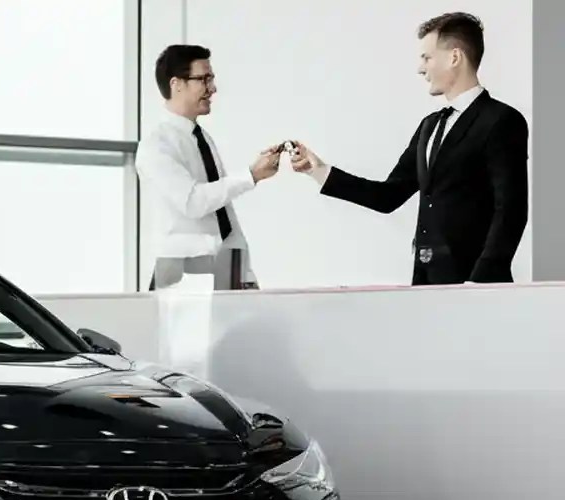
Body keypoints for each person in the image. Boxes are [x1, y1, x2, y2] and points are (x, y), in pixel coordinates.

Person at [290, 12, 529, 285]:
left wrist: (481, 281)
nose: (420, 68)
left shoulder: (501, 120)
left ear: (454, 57)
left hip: (475, 284)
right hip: (424, 283)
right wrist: (318, 170)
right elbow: (388, 196)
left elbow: (511, 208)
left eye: (426, 58)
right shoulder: (430, 126)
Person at [136, 44, 283, 291]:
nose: (212, 88)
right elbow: (193, 201)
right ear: (176, 84)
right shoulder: (155, 146)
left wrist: (245, 273)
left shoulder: (201, 137)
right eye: (204, 79)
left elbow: (220, 210)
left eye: (211, 78)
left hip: (225, 265)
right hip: (184, 274)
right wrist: (251, 175)